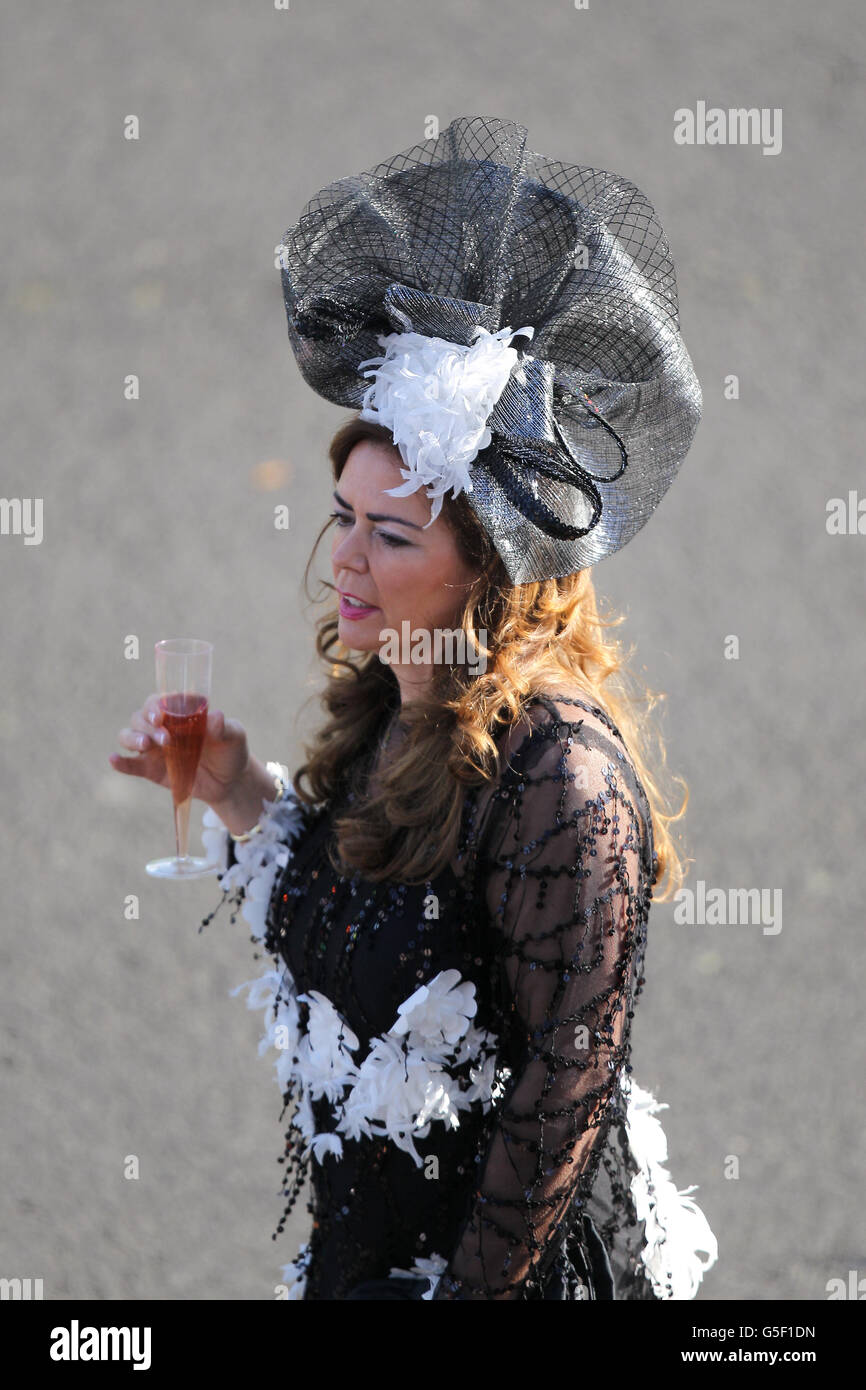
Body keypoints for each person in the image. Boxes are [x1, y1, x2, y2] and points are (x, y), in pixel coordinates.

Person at [110, 117, 719, 1300]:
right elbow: (358, 955)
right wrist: (238, 792)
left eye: (391, 534)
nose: (346, 559)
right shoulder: (396, 699)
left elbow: (560, 1096)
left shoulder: (561, 784)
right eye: (344, 514)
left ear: (490, 569)